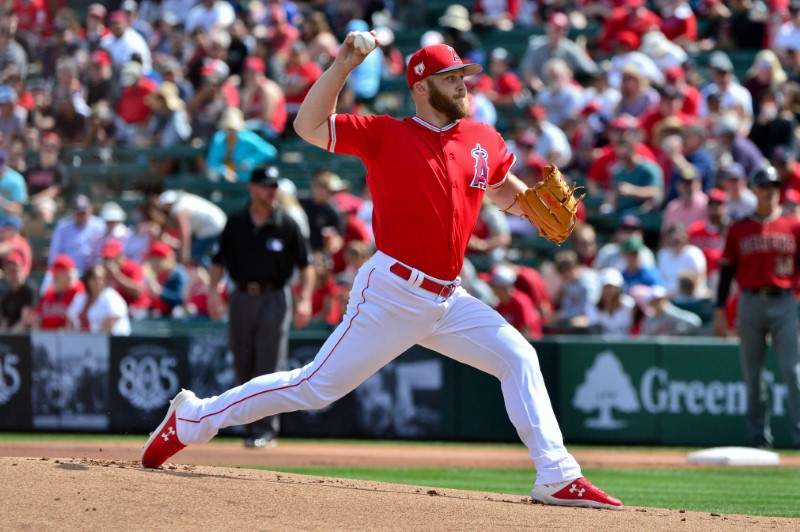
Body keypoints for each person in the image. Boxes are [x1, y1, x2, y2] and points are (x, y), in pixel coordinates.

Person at [142, 40, 622, 510]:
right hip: (393, 291)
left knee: (518, 357)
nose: (462, 86)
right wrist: (342, 65)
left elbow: (501, 189)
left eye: (463, 77)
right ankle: (193, 418)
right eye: (450, 79)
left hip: (449, 299)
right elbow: (308, 125)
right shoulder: (385, 133)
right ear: (420, 86)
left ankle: (557, 476)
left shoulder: (482, 138)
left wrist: (531, 207)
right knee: (313, 387)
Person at [206, 165, 314, 447]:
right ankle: (248, 427)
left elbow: (307, 265)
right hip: (241, 296)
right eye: (267, 186)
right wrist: (213, 292)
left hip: (275, 297)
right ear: (252, 188)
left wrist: (303, 299)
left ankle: (266, 429)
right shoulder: (236, 221)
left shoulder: (286, 223)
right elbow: (218, 261)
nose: (272, 191)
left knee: (270, 364)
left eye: (275, 186)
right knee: (243, 362)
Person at [714, 166, 800, 449]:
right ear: (754, 189)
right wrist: (719, 310)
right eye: (764, 185)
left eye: (775, 185)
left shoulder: (793, 224)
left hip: (785, 300)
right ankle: (757, 439)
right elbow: (726, 273)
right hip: (750, 301)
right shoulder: (739, 228)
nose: (770, 190)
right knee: (753, 374)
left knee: (793, 371)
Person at [157, 190, 227, 266]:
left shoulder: (178, 209)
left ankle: (209, 274)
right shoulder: (184, 201)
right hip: (216, 224)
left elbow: (185, 233)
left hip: (214, 227)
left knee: (195, 257)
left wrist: (183, 260)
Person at [48, 194, 106, 274]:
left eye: (83, 213)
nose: (81, 216)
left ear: (90, 211)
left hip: (93, 272)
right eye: (78, 213)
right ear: (72, 213)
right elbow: (54, 254)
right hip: (69, 272)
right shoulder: (63, 226)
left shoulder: (99, 225)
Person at [67, 264, 131, 335]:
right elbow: (70, 322)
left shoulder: (112, 297)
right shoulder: (80, 298)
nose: (98, 282)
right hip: (83, 341)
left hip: (113, 342)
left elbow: (109, 326)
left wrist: (91, 342)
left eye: (101, 279)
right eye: (94, 278)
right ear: (88, 280)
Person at [31, 254, 84, 330]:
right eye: (53, 275)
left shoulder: (79, 294)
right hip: (44, 339)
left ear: (69, 276)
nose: (53, 279)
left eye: (57, 276)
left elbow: (72, 325)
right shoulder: (48, 293)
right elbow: (36, 321)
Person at [586, 268, 635, 336]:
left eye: (612, 287)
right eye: (606, 286)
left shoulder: (629, 305)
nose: (609, 290)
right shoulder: (592, 306)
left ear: (619, 288)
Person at [0, 251, 36, 331]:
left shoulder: (29, 290)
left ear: (22, 270)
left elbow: (26, 320)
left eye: (15, 271)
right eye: (9, 271)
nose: (12, 275)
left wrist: (10, 335)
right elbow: (5, 321)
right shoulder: (7, 296)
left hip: (24, 337)